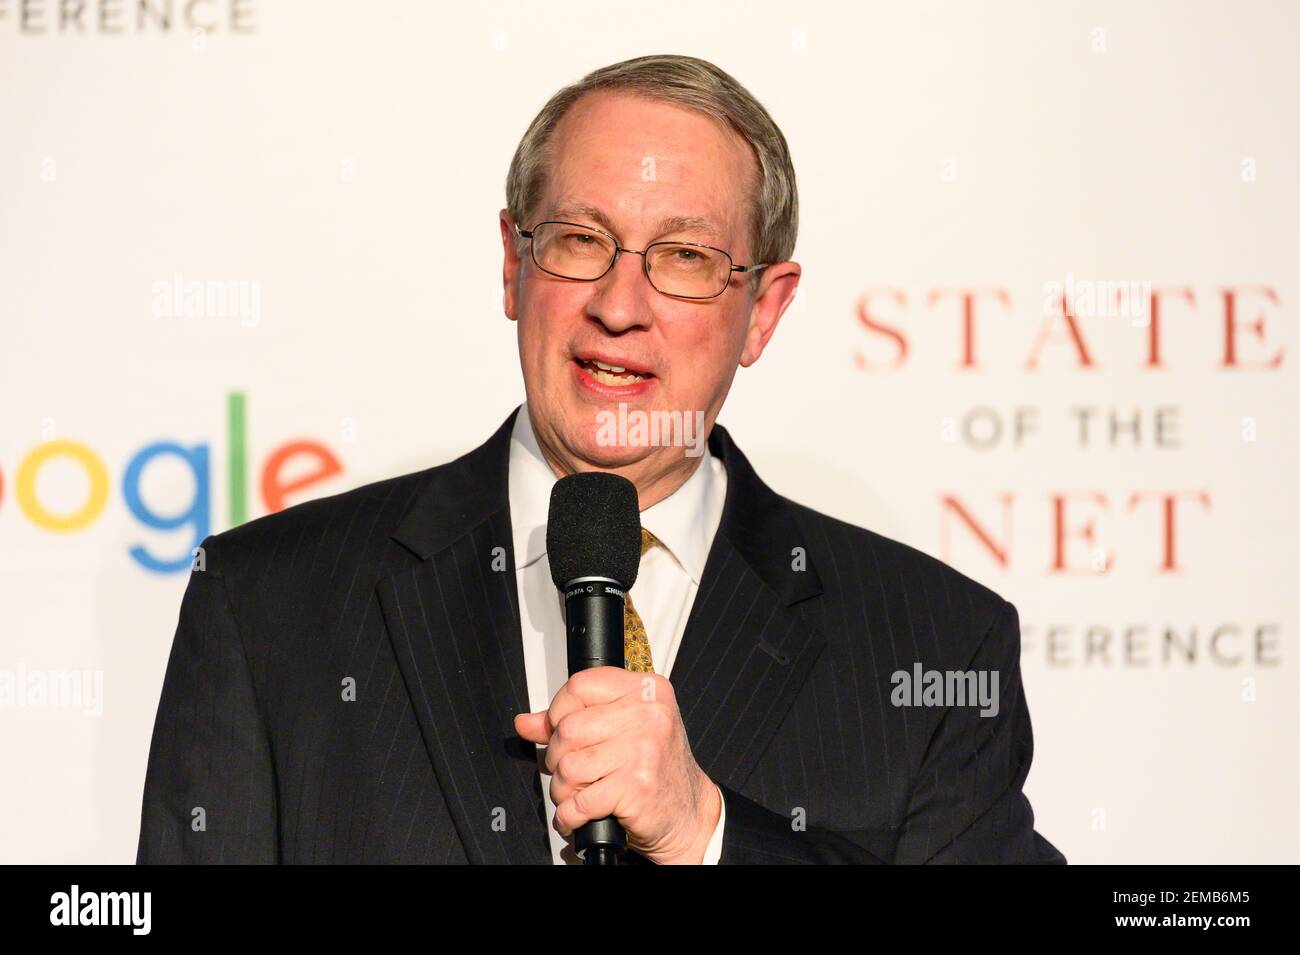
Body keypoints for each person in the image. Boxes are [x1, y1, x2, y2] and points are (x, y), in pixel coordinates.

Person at [136, 53, 1064, 865]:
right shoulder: (268, 607)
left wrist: (708, 836)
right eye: (581, 241)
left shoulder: (935, 644)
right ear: (513, 262)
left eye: (686, 257)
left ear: (766, 309)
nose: (620, 305)